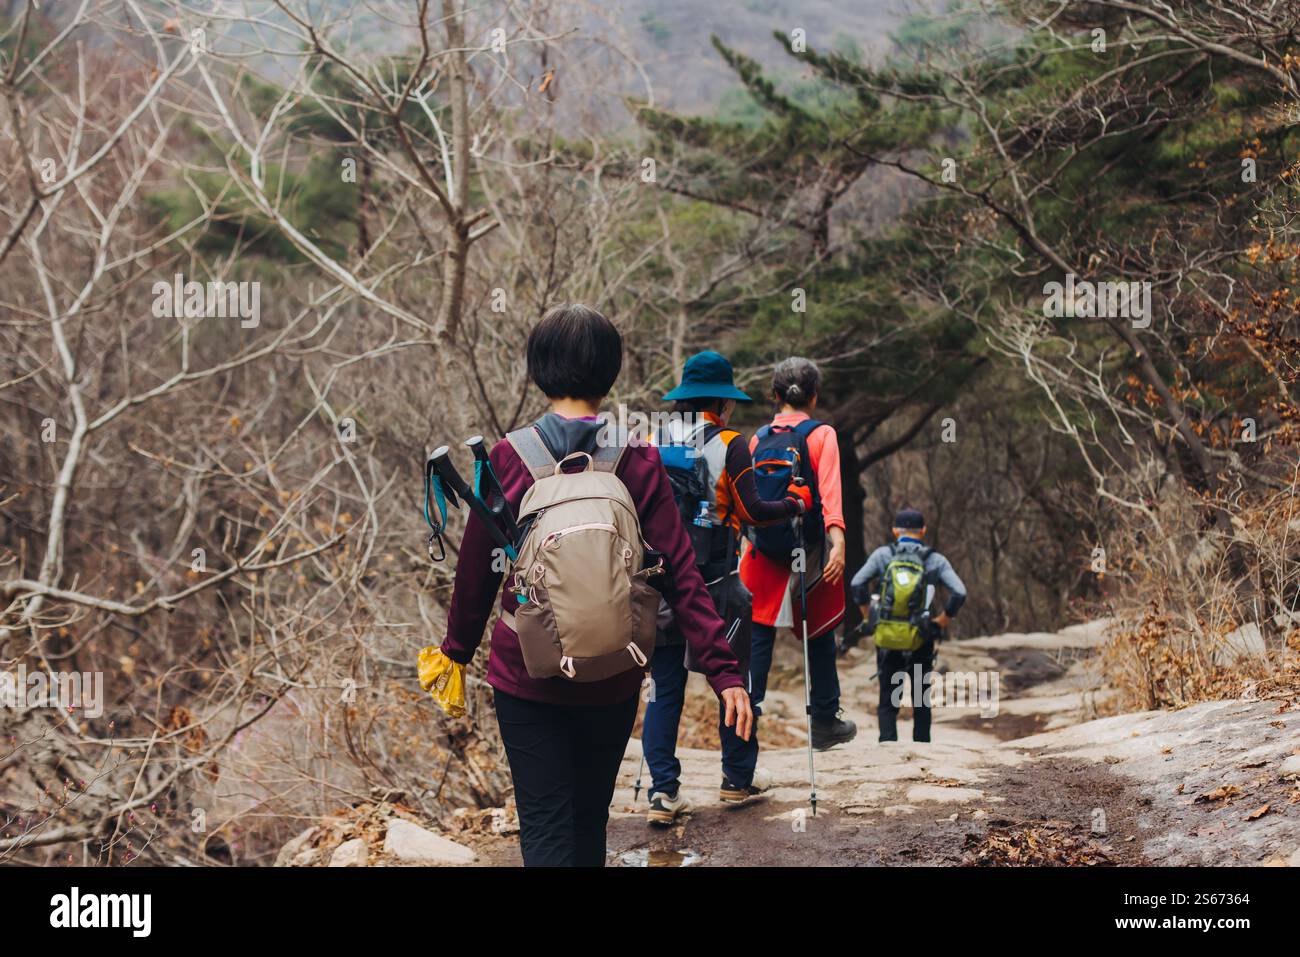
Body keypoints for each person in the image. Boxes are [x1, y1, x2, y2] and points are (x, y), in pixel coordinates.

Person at [438, 305, 753, 866]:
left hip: (525, 674)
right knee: (589, 822)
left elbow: (476, 566)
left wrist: (455, 652)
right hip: (614, 669)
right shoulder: (636, 457)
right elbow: (681, 571)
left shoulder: (509, 456)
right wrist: (723, 672)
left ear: (539, 370)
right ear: (610, 372)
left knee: (545, 825)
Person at [642, 350, 811, 825]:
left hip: (664, 583)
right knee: (735, 681)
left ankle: (663, 792)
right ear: (723, 401)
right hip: (717, 582)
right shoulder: (732, 443)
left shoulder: (653, 441)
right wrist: (796, 503)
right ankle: (737, 778)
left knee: (664, 689)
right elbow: (754, 509)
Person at [739, 357, 856, 751]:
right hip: (804, 551)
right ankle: (824, 720)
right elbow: (830, 491)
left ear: (774, 396)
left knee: (756, 640)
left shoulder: (756, 438)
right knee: (819, 628)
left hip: (761, 553)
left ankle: (742, 737)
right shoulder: (821, 434)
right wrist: (837, 540)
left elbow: (747, 502)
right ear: (814, 396)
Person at [849, 507, 967, 743]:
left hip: (888, 634)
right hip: (922, 634)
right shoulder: (935, 560)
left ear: (895, 531)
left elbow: (857, 584)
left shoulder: (883, 555)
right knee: (921, 697)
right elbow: (960, 592)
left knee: (888, 697)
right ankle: (922, 748)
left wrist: (869, 617)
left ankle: (888, 747)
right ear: (923, 531)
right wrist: (940, 622)